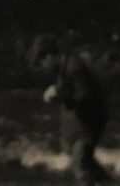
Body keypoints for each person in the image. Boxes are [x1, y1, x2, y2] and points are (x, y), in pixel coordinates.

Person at [43, 51, 114, 185]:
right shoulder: (63, 66)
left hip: (91, 121)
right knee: (81, 158)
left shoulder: (74, 67)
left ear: (50, 55)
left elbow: (85, 95)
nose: (43, 66)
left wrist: (59, 97)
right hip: (81, 121)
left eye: (42, 61)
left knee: (79, 164)